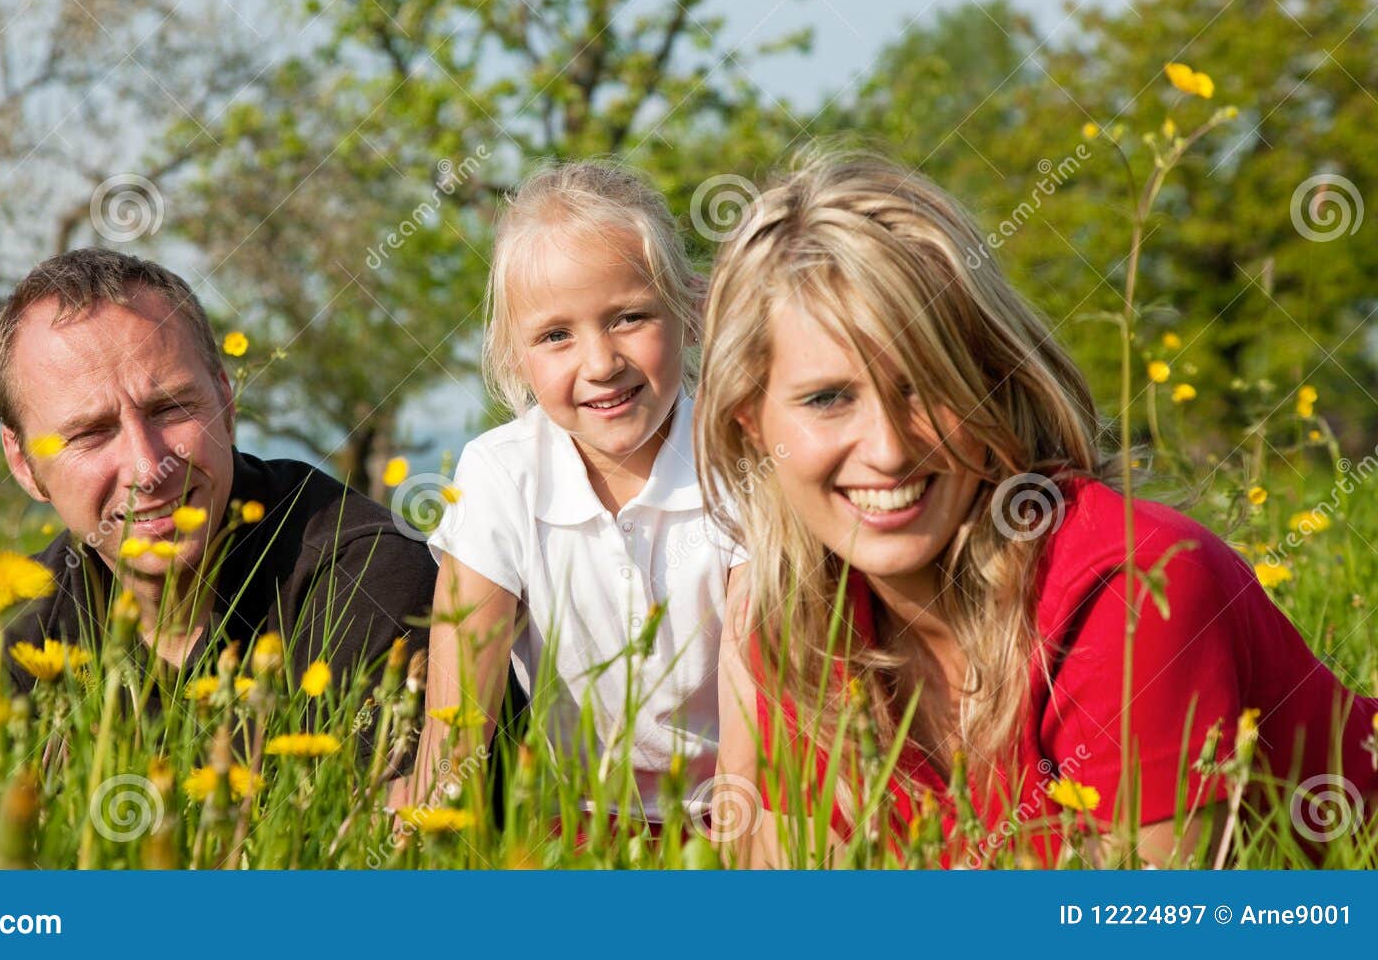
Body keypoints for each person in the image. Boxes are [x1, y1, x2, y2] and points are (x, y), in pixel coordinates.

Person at [697, 149, 1378, 867]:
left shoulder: (1130, 589)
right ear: (748, 416)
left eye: (927, 384)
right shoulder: (800, 617)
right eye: (828, 398)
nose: (890, 450)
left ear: (994, 382)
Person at [397, 161, 740, 825]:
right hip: (574, 822)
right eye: (556, 335)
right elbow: (457, 728)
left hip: (734, 813)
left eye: (630, 316)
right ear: (513, 357)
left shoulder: (739, 461)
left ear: (688, 315)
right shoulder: (500, 475)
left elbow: (769, 716)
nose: (600, 362)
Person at [0, 248, 436, 703]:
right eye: (89, 433)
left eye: (170, 408)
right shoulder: (22, 622)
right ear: (23, 463)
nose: (147, 468)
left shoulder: (365, 576)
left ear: (225, 401)